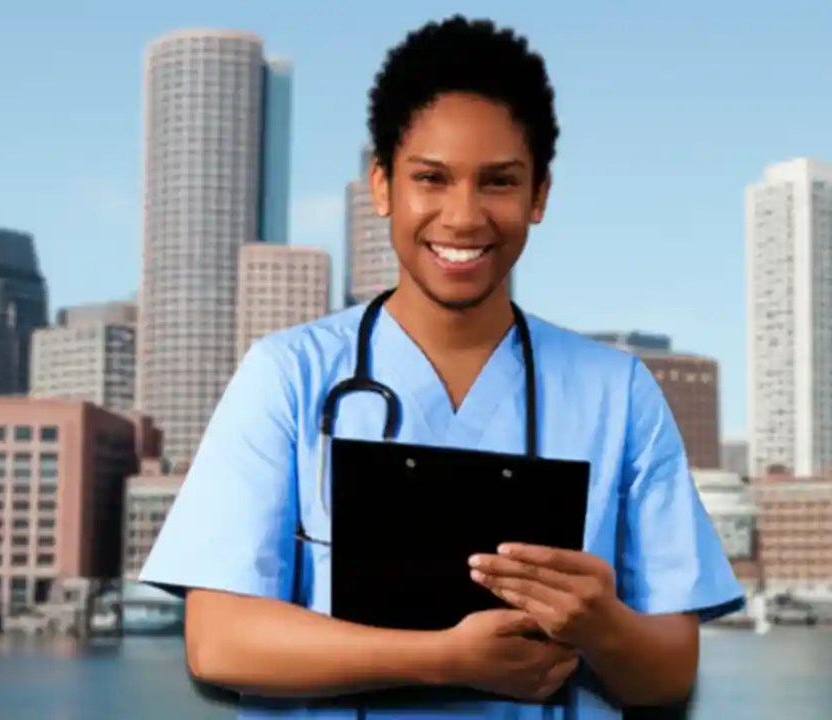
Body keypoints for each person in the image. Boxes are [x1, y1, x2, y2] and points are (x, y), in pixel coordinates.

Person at [138, 14, 745, 720]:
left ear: (539, 196)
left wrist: (601, 625)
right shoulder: (288, 376)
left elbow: (669, 676)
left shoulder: (618, 392)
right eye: (431, 178)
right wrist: (442, 659)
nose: (463, 216)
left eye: (498, 182)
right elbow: (219, 643)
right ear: (381, 186)